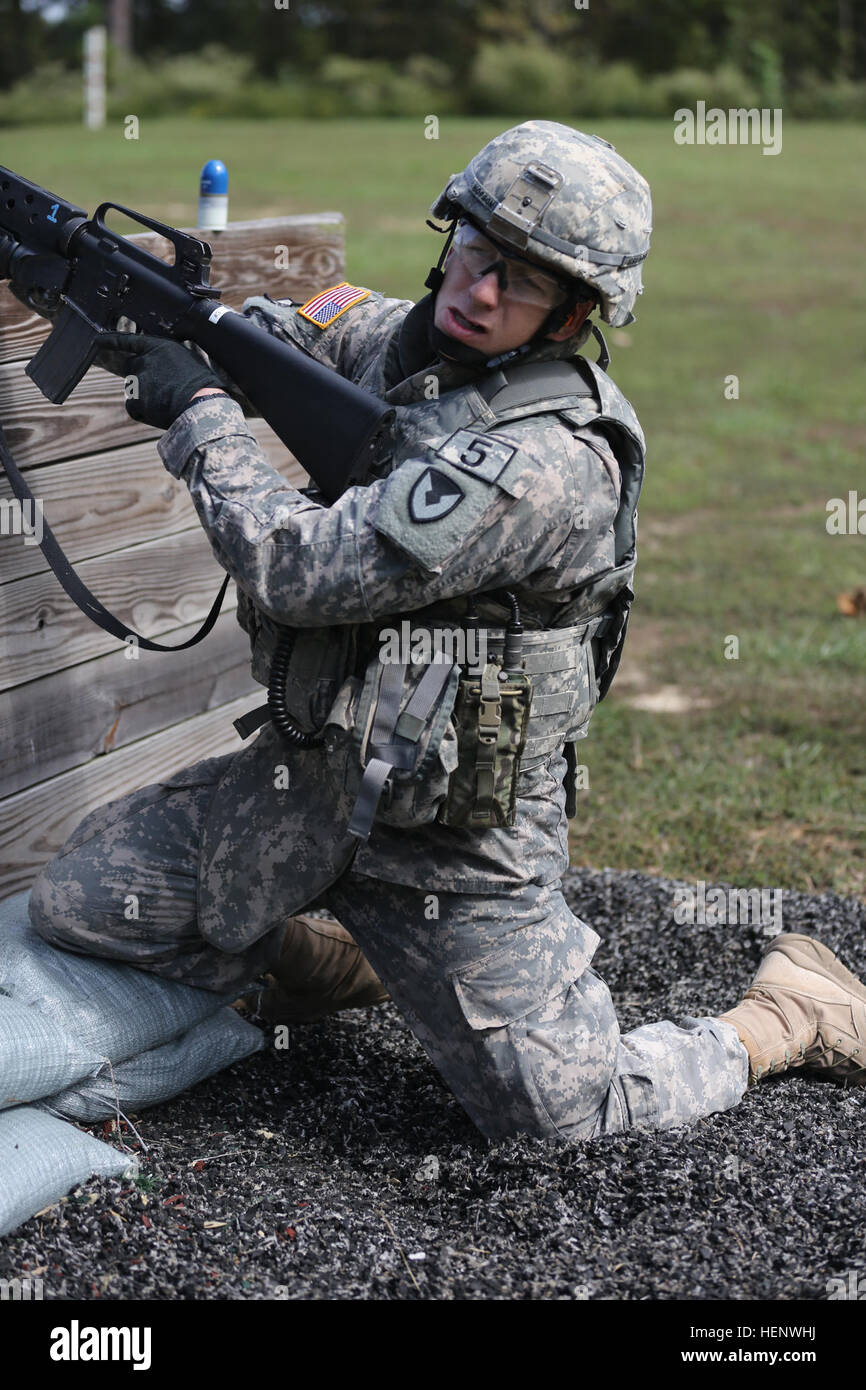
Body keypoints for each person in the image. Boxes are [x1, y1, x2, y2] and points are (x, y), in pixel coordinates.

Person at [20, 121, 866, 1142]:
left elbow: (300, 573)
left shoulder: (548, 461)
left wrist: (200, 412)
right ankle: (344, 964)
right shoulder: (396, 337)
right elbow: (284, 334)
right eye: (472, 252)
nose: (476, 292)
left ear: (575, 313)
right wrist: (149, 316)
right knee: (78, 905)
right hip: (308, 783)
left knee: (564, 1116)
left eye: (520, 281)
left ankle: (782, 1014)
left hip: (451, 836)